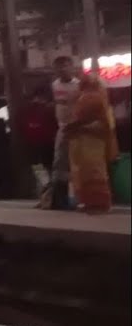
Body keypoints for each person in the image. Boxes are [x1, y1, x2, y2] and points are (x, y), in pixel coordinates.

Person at [63, 75, 117, 214]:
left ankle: (98, 203)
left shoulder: (94, 99)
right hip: (85, 139)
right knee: (88, 172)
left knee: (93, 171)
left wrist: (77, 127)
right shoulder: (89, 98)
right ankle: (91, 203)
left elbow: (100, 121)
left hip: (91, 140)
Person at [47, 56, 82, 210]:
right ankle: (59, 199)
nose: (63, 69)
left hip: (79, 129)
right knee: (59, 163)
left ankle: (81, 198)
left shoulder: (80, 85)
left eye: (66, 66)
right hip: (62, 128)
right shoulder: (54, 85)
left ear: (72, 67)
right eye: (60, 67)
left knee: (79, 163)